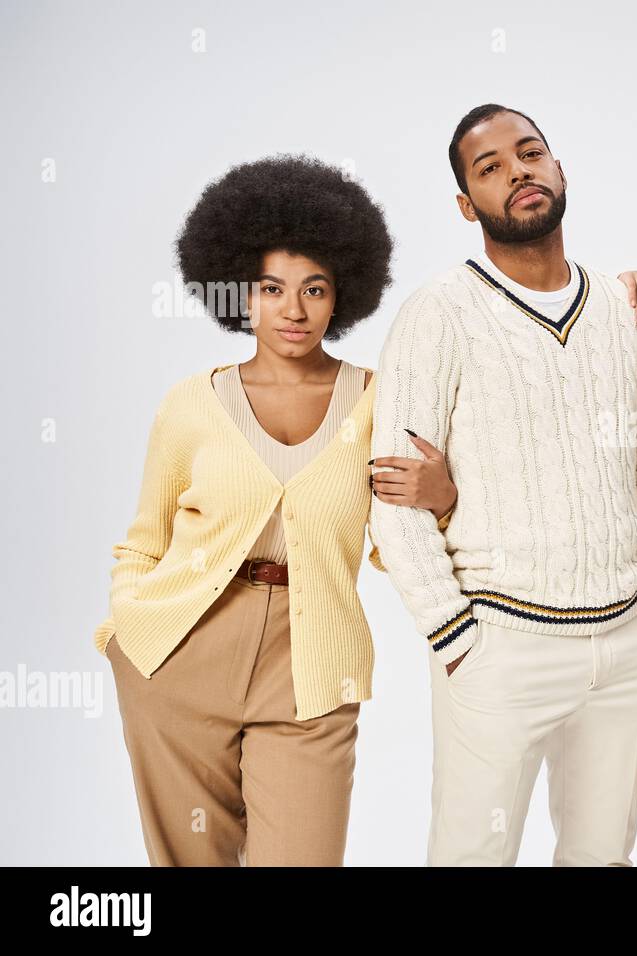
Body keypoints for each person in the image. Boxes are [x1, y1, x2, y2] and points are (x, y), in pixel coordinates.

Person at [93, 154, 454, 866]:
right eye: (271, 288)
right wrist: (124, 634)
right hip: (178, 657)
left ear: (342, 293)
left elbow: (396, 539)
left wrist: (442, 500)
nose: (293, 310)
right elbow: (143, 541)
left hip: (312, 666)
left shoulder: (379, 401)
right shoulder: (191, 404)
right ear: (238, 293)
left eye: (314, 289)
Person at [368, 103, 637, 867]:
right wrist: (453, 631)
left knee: (602, 854)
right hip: (501, 643)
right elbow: (395, 493)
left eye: (530, 153)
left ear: (560, 168)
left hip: (625, 638)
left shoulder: (624, 309)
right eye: (492, 168)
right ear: (465, 204)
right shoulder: (438, 313)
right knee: (472, 855)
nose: (519, 173)